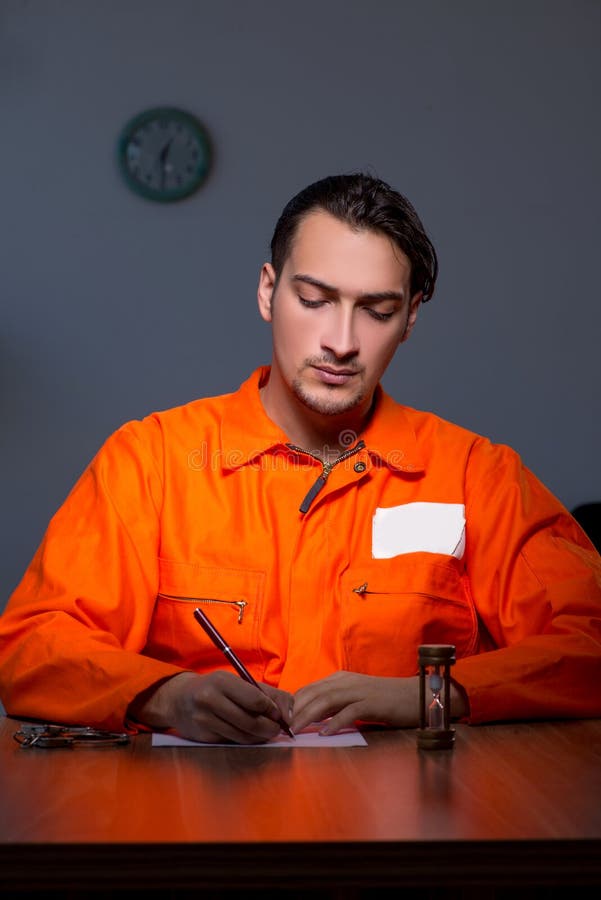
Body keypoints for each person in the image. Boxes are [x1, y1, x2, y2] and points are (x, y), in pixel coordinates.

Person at [0, 173, 600, 744]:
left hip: (406, 816)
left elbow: (589, 643)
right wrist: (165, 696)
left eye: (377, 311)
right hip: (198, 813)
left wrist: (432, 696)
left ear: (410, 318)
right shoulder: (150, 461)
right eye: (314, 300)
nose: (341, 341)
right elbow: (31, 648)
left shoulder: (476, 475)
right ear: (268, 291)